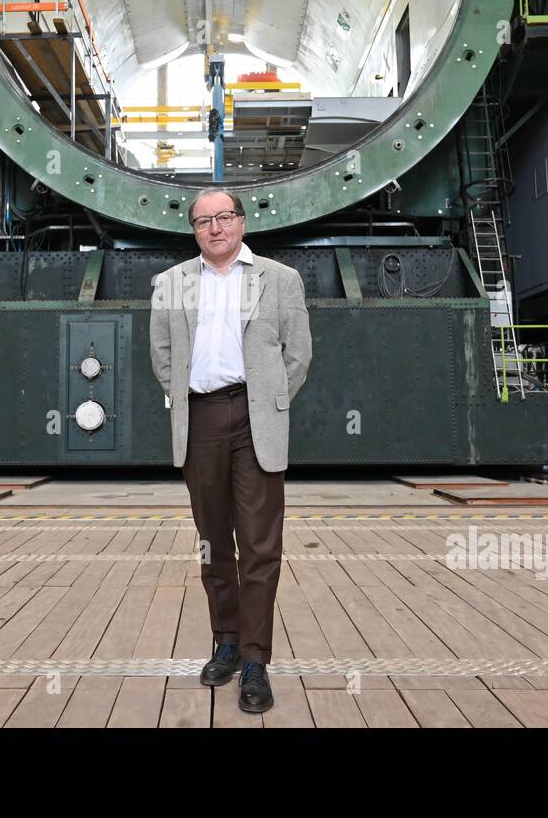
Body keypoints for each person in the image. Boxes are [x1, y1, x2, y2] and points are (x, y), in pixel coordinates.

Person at [149, 189, 312, 713]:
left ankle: (255, 663)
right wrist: (187, 399)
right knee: (212, 541)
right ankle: (227, 641)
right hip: (199, 418)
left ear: (242, 222)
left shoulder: (280, 280)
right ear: (194, 230)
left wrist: (267, 401)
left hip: (254, 416)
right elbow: (162, 354)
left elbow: (298, 354)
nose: (215, 227)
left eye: (224, 217)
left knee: (261, 546)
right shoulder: (171, 284)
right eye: (203, 221)